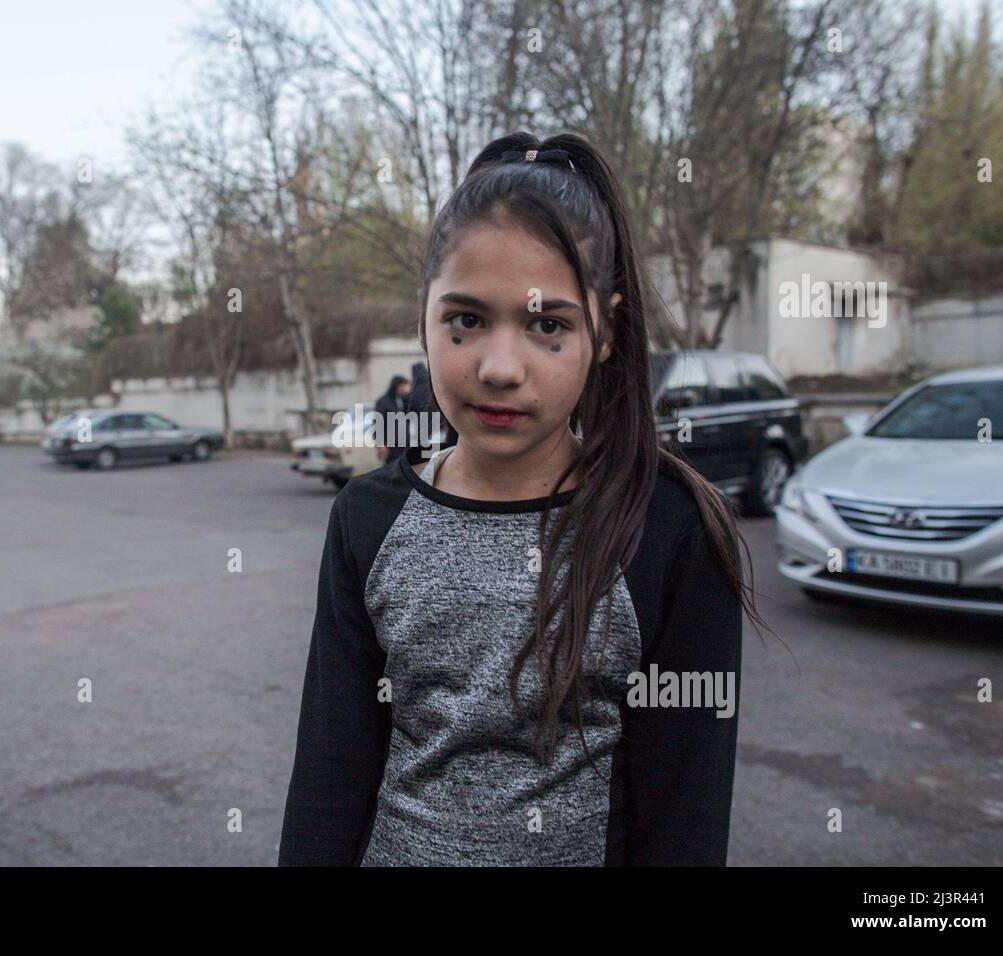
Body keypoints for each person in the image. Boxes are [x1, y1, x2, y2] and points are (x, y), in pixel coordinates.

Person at [278, 132, 765, 866]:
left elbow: (685, 813)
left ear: (606, 330)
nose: (501, 368)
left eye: (547, 325)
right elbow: (330, 769)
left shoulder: (668, 527)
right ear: (424, 319)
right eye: (467, 320)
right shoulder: (367, 520)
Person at [372, 375, 411, 463]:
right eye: (402, 386)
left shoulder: (404, 400)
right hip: (391, 445)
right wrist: (381, 444)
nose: (404, 389)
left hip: (404, 443)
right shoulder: (383, 402)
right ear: (396, 386)